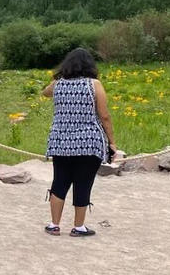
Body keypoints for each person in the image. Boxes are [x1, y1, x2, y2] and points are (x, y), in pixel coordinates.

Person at [43, 48, 116, 237]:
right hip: (89, 142)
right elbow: (105, 116)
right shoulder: (94, 84)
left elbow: (45, 93)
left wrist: (57, 83)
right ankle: (78, 227)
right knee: (83, 183)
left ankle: (54, 224)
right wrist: (112, 142)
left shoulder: (58, 84)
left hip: (60, 141)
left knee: (59, 181)